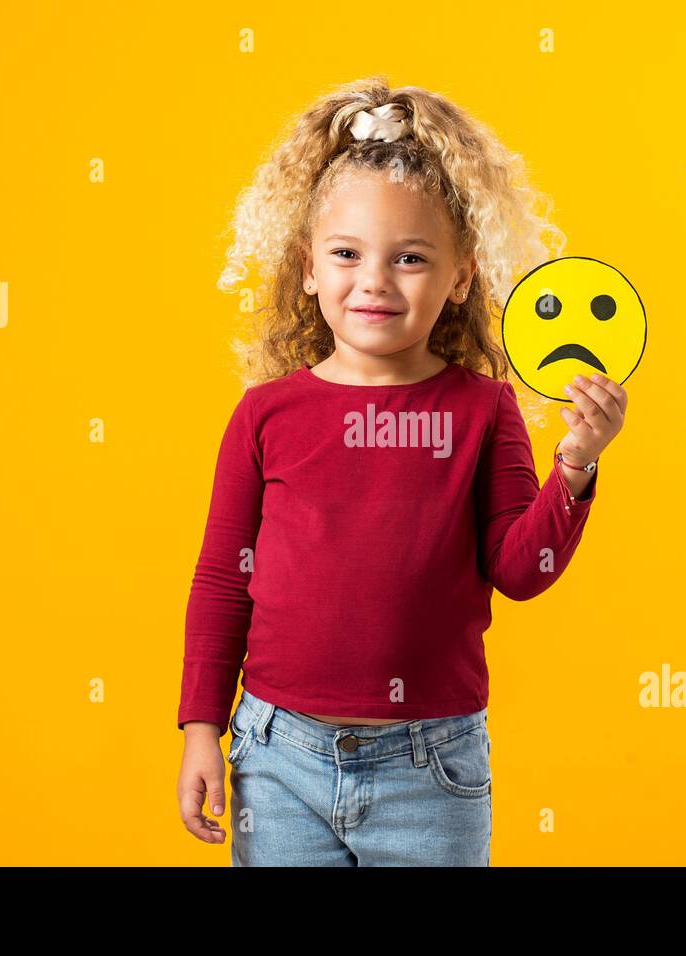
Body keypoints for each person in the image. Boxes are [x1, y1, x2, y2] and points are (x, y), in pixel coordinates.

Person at [175, 76, 628, 865]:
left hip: (433, 768)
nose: (375, 280)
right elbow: (221, 577)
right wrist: (202, 728)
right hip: (277, 759)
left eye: (410, 258)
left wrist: (575, 467)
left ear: (459, 279)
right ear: (309, 268)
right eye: (347, 254)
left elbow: (519, 571)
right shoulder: (265, 415)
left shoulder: (484, 411)